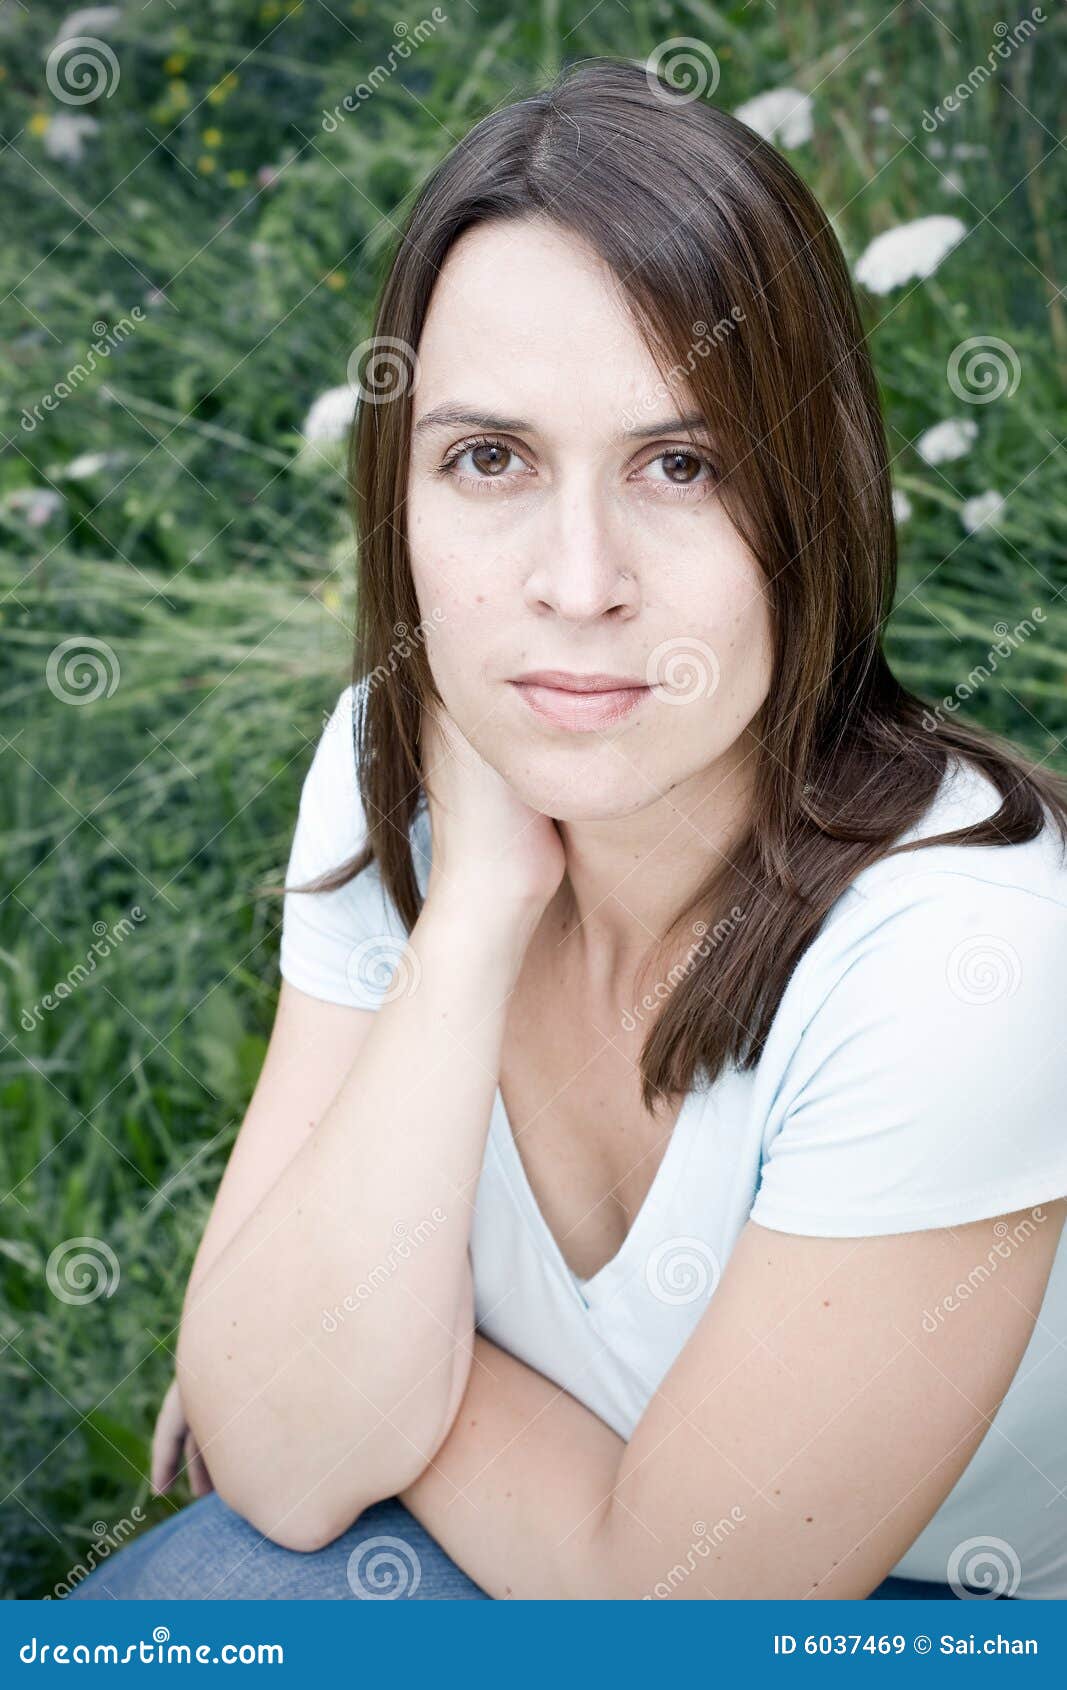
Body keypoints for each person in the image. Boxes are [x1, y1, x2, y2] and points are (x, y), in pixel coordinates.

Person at [69, 55, 1067, 1602]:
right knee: (203, 1597)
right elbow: (272, 1452)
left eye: (683, 465)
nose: (579, 581)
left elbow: (672, 1613)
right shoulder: (398, 763)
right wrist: (469, 918)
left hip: (960, 1611)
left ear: (815, 495)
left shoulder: (970, 946)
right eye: (490, 459)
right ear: (397, 501)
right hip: (563, 1525)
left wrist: (385, 1377)